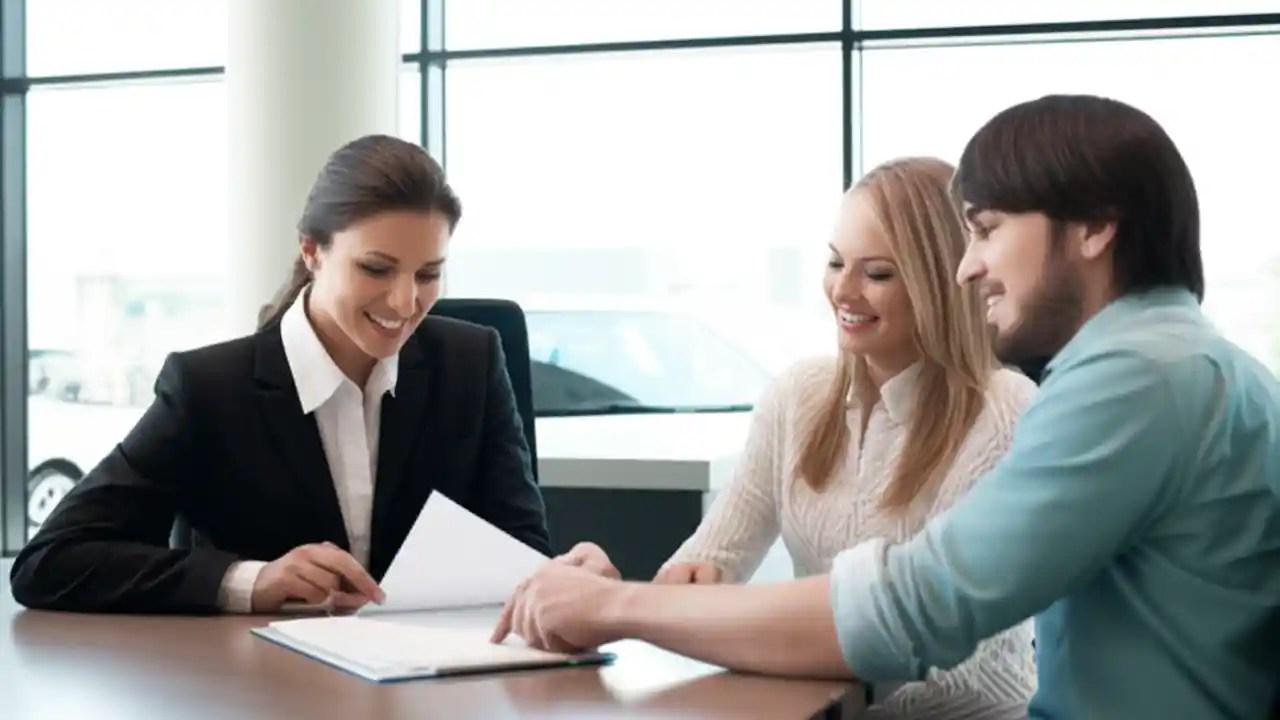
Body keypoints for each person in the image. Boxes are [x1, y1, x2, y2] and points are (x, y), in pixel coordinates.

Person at [492, 95, 1280, 720]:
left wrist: (621, 607)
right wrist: (636, 595)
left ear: (1097, 228)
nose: (972, 267)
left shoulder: (1132, 382)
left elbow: (911, 614)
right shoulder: (1188, 364)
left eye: (989, 231)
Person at [11, 134, 551, 614]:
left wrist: (565, 581)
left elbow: (521, 549)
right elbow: (50, 561)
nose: (406, 301)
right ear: (312, 251)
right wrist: (248, 582)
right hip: (262, 687)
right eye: (376, 268)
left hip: (431, 688)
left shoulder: (471, 363)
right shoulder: (208, 388)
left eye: (428, 274)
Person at [650, 156, 1035, 716]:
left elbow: (943, 659)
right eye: (835, 263)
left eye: (877, 273)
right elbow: (711, 560)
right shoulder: (797, 395)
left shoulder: (1003, 412)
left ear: (938, 282)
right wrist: (676, 588)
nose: (843, 291)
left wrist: (744, 627)